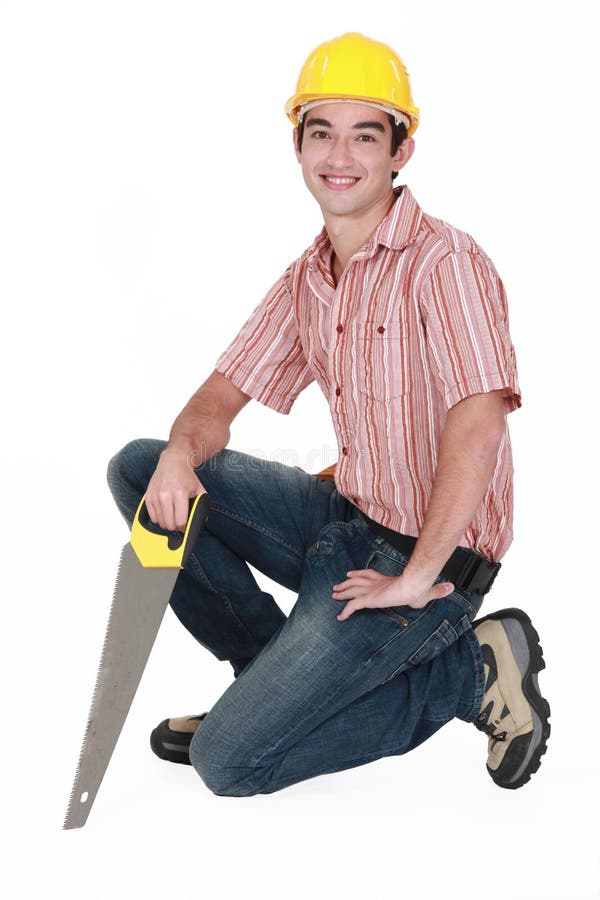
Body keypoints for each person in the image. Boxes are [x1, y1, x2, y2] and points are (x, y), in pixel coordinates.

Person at [107, 32, 550, 795]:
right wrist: (182, 455)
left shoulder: (447, 265)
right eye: (322, 133)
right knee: (143, 467)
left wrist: (416, 578)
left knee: (230, 764)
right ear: (299, 144)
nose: (339, 155)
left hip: (424, 567)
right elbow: (219, 398)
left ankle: (469, 671)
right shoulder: (311, 274)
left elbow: (480, 427)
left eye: (365, 135)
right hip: (341, 520)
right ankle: (264, 676)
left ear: (400, 151)